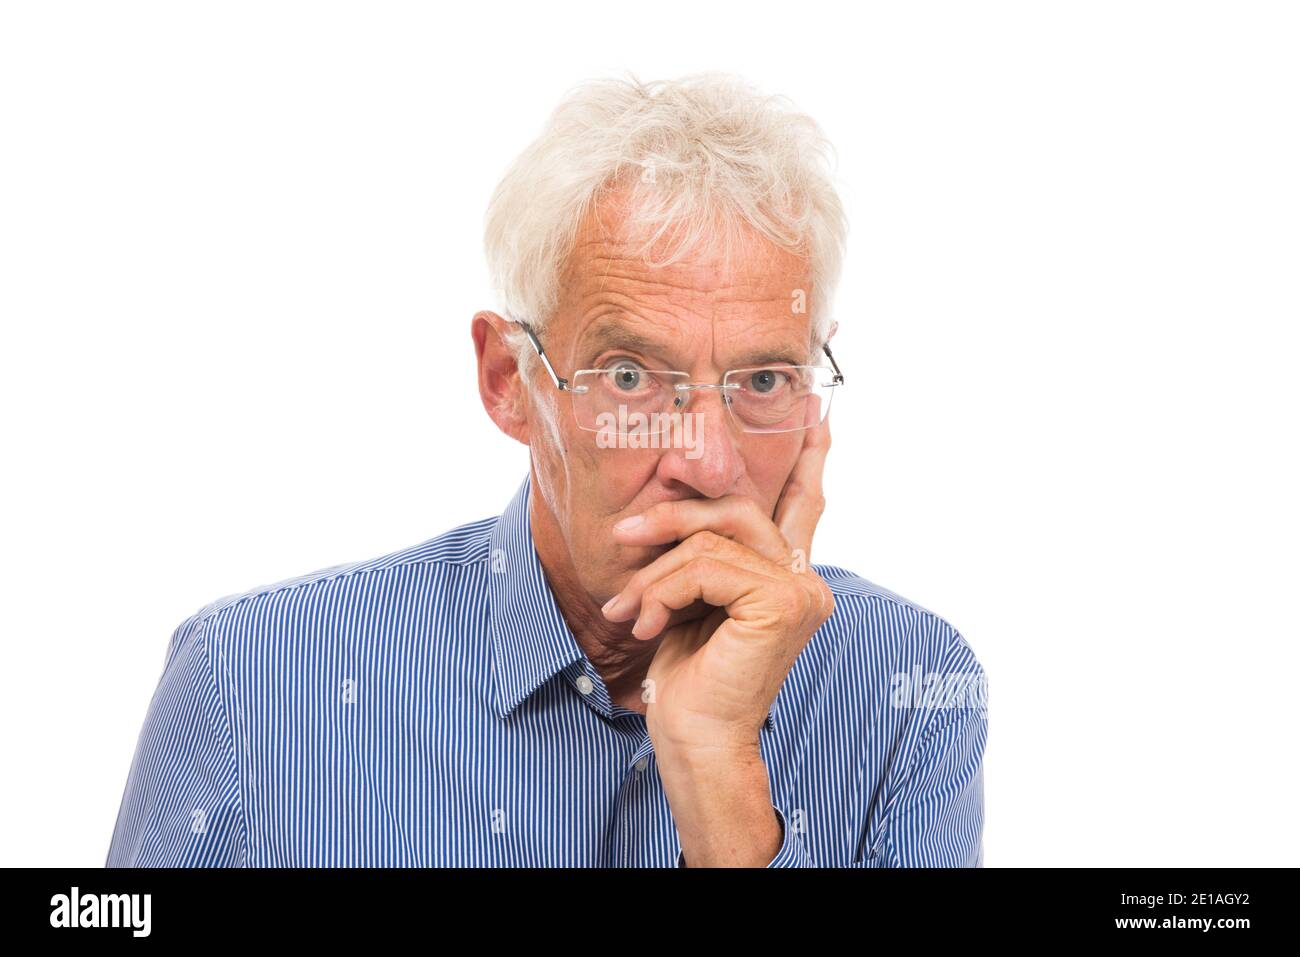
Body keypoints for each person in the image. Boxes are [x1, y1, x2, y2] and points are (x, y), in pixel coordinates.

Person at [107, 72, 987, 867]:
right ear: (509, 381)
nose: (708, 462)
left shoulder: (910, 692)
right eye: (633, 376)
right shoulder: (250, 683)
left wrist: (719, 768)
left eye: (763, 379)